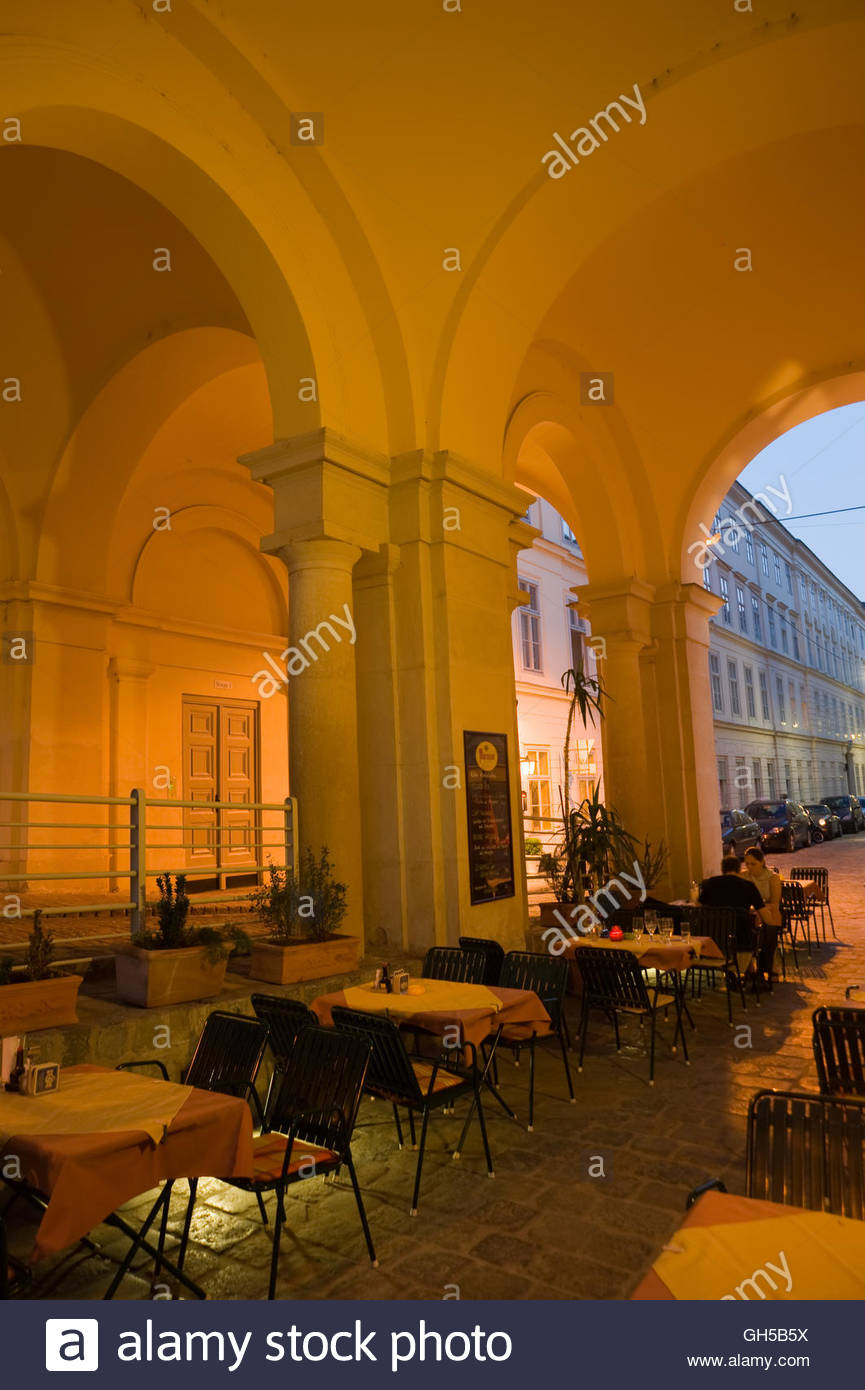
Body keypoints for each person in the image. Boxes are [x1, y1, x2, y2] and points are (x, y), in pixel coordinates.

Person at [698, 855, 765, 984]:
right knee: (756, 930)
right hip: (740, 939)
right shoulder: (748, 886)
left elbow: (699, 906)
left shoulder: (710, 883)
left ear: (722, 869)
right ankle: (752, 972)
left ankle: (743, 972)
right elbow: (761, 911)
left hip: (713, 938)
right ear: (739, 869)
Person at [740, 846, 782, 981]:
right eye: (747, 864)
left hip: (769, 913)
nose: (749, 867)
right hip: (751, 915)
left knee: (768, 929)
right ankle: (748, 967)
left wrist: (759, 908)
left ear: (762, 862)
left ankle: (768, 967)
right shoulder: (744, 876)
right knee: (741, 929)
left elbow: (775, 904)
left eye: (753, 864)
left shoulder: (772, 878)